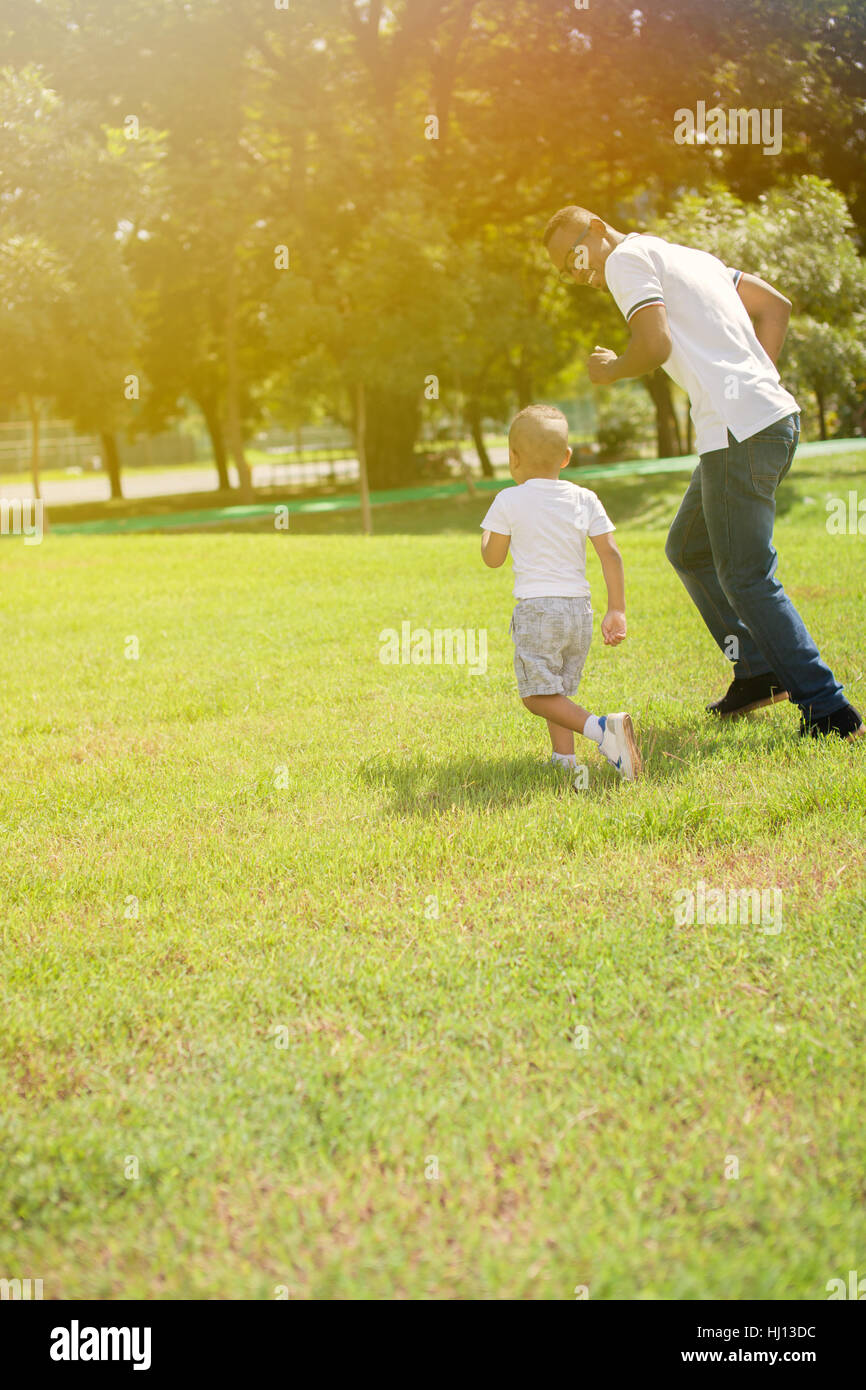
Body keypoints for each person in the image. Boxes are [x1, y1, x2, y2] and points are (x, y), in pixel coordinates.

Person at [543, 204, 863, 741]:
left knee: (745, 575)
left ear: (597, 228)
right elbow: (775, 306)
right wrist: (758, 380)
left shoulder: (624, 260)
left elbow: (654, 344)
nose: (577, 273)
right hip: (757, 423)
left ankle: (830, 710)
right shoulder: (687, 256)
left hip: (740, 431)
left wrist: (612, 368)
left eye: (575, 256)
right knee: (689, 548)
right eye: (565, 272)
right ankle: (757, 671)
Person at [480, 403, 641, 784]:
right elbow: (610, 553)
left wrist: (488, 532)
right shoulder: (584, 498)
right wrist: (615, 608)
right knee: (558, 690)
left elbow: (493, 558)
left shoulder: (508, 500)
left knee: (536, 695)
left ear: (512, 458)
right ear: (566, 457)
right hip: (579, 612)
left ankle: (604, 732)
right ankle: (564, 761)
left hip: (538, 612)